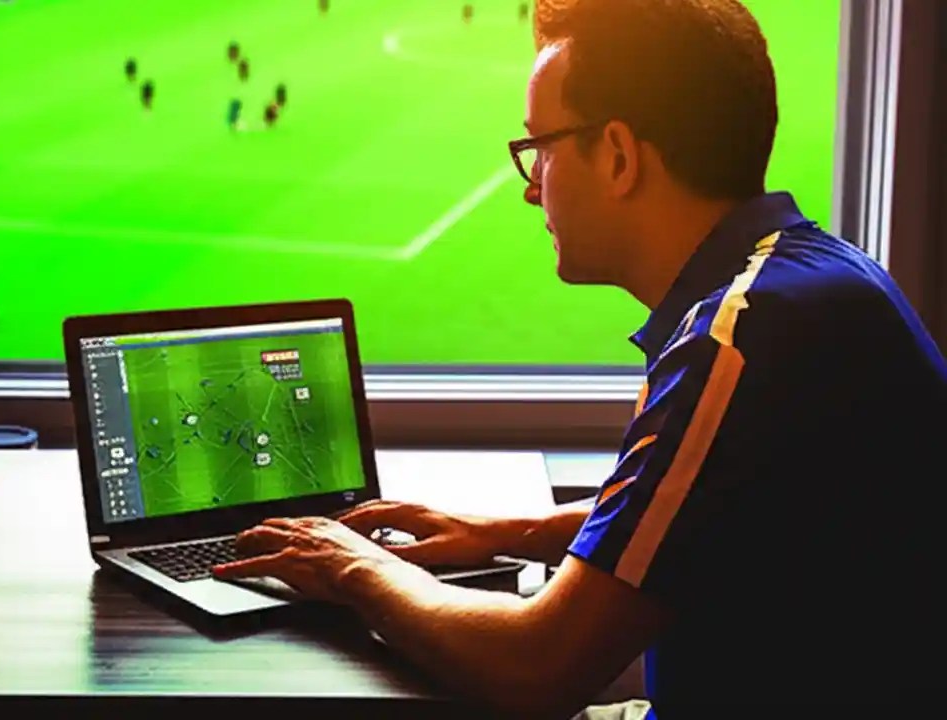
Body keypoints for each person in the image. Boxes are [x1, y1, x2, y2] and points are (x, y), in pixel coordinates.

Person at [213, 0, 947, 717]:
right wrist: (501, 533)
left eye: (543, 148)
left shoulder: (740, 335)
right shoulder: (805, 279)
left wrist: (351, 566)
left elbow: (537, 668)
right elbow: (685, 514)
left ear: (621, 156)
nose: (533, 190)